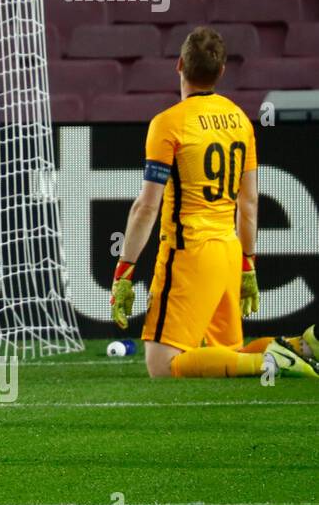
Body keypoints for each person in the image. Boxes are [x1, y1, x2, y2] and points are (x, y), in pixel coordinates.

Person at [110, 26, 317, 379]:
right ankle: (304, 344)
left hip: (189, 252)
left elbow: (146, 207)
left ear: (179, 65)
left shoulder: (168, 124)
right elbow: (249, 203)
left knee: (162, 366)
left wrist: (125, 269)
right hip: (227, 250)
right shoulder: (240, 120)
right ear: (221, 71)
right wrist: (247, 264)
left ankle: (273, 361)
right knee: (229, 353)